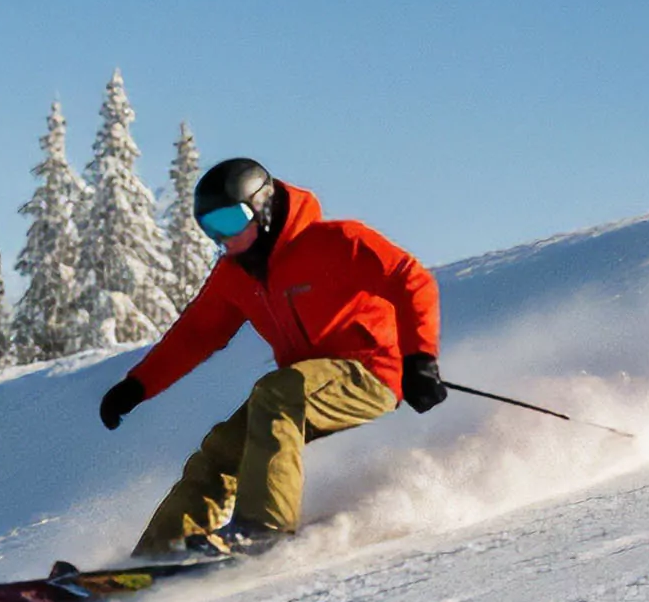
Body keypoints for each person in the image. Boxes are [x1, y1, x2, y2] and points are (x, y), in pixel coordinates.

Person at [100, 157, 444, 556]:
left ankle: (264, 528)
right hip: (303, 385)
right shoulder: (235, 274)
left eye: (230, 222)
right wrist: (137, 385)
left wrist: (420, 358)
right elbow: (197, 333)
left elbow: (410, 279)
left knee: (276, 393)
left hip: (370, 372)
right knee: (223, 449)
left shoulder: (335, 242)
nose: (223, 239)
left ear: (261, 206)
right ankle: (159, 553)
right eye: (212, 229)